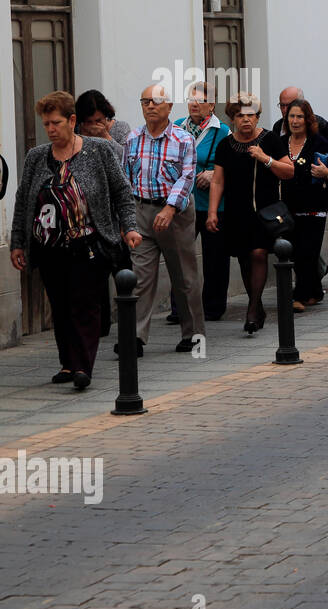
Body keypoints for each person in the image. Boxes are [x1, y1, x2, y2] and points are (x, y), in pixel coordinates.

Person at [9, 91, 141, 388]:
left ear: (71, 121)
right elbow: (23, 202)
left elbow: (122, 192)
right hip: (49, 247)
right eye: (46, 124)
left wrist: (129, 228)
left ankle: (83, 366)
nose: (51, 129)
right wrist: (18, 242)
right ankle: (68, 363)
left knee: (85, 304)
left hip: (88, 243)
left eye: (56, 122)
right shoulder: (36, 157)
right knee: (60, 305)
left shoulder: (98, 151)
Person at [122, 84, 205, 356]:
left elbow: (187, 177)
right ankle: (135, 337)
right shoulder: (132, 139)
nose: (150, 106)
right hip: (141, 211)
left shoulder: (183, 139)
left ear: (169, 107)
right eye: (145, 101)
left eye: (156, 101)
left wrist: (169, 208)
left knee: (184, 276)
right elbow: (126, 180)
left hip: (176, 214)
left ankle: (192, 333)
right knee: (140, 277)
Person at [206, 92, 294, 333]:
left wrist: (265, 159)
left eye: (251, 115)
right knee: (245, 258)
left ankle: (253, 309)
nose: (246, 120)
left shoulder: (270, 139)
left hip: (264, 211)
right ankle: (256, 306)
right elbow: (217, 181)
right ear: (233, 118)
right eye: (240, 115)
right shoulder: (226, 145)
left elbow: (289, 171)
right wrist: (212, 212)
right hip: (236, 212)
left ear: (257, 117)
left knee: (258, 253)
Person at [174, 81, 231, 322]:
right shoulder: (176, 127)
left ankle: (213, 307)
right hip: (182, 203)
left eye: (200, 99)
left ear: (211, 104)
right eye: (191, 99)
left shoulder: (223, 131)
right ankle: (179, 308)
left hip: (213, 205)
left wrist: (214, 174)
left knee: (215, 257)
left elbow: (231, 165)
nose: (194, 103)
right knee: (179, 256)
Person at [279, 97, 328, 311]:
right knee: (295, 250)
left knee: (308, 250)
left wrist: (326, 172)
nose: (295, 121)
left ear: (307, 119)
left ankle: (299, 296)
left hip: (314, 203)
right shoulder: (281, 142)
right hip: (288, 206)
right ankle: (314, 290)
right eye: (291, 116)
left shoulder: (318, 141)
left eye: (299, 117)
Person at [271, 86, 328, 151]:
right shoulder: (278, 126)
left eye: (289, 105)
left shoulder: (320, 124)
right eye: (282, 105)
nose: (285, 110)